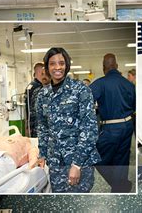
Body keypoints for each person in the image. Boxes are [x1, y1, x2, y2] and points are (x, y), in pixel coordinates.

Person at [36, 47, 101, 193]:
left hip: (79, 161)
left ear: (67, 65)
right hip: (56, 163)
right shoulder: (42, 95)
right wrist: (42, 154)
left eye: (61, 63)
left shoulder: (80, 90)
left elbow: (89, 129)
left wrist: (76, 164)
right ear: (47, 67)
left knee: (78, 204)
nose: (57, 67)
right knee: (60, 203)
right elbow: (42, 127)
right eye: (52, 63)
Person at [90, 53, 136, 193]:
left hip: (111, 128)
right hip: (128, 126)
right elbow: (135, 106)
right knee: (121, 159)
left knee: (96, 157)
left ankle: (119, 186)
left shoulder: (100, 83)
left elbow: (85, 101)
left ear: (104, 68)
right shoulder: (128, 84)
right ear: (116, 66)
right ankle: (121, 187)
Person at [24, 63, 49, 137]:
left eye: (46, 74)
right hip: (37, 129)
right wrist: (29, 126)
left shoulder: (55, 91)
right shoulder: (36, 90)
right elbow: (31, 111)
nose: (44, 77)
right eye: (42, 74)